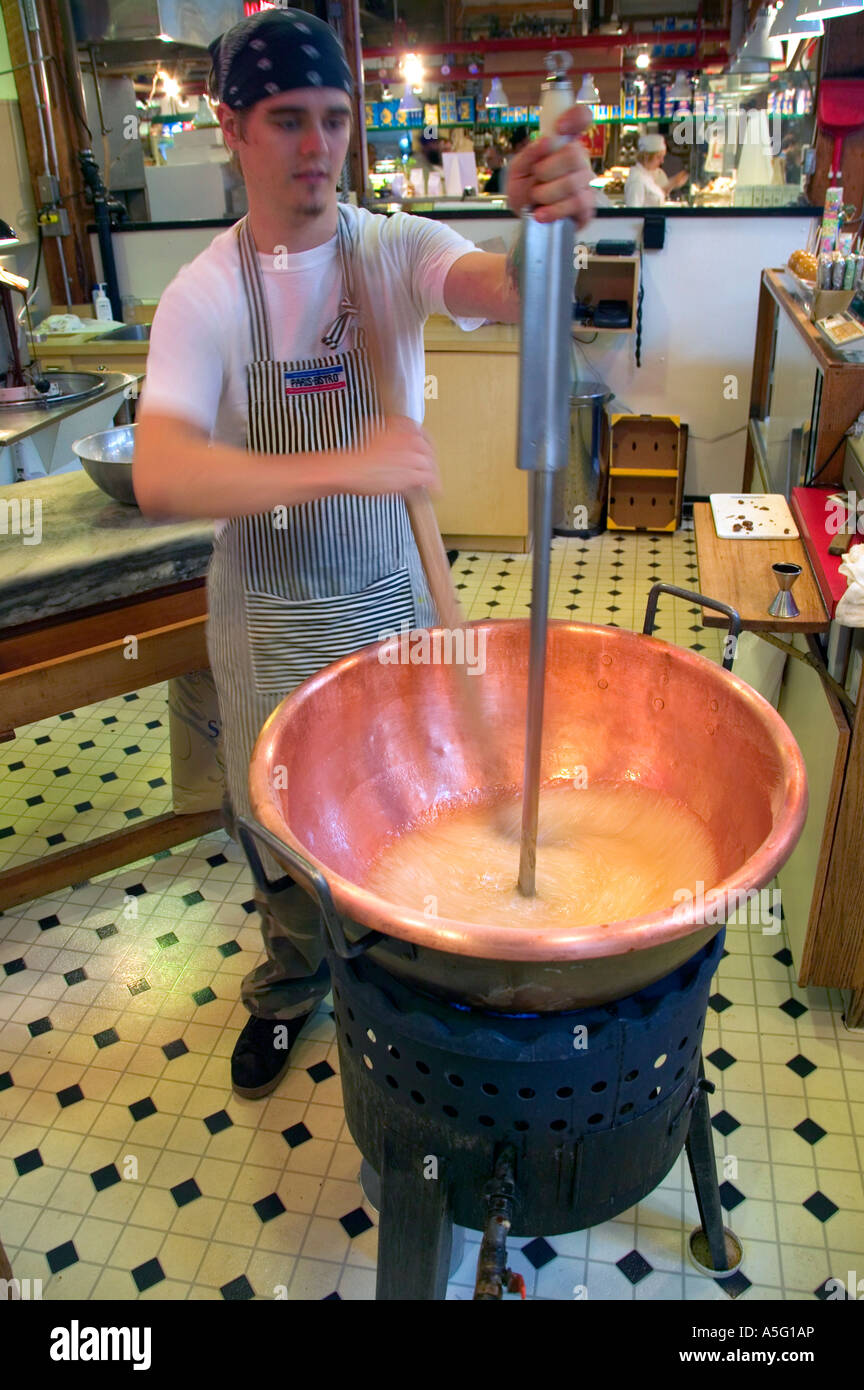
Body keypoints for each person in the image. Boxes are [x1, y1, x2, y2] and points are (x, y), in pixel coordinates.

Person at [134, 6, 594, 1100]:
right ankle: (295, 990)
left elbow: (504, 291)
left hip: (392, 595)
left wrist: (545, 227)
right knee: (286, 829)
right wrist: (348, 462)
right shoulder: (205, 293)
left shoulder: (389, 247)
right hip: (275, 612)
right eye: (288, 120)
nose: (317, 147)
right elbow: (164, 472)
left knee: (402, 800)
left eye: (334, 119)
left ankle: (397, 983)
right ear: (232, 128)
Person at [624, 132, 686, 207]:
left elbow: (652, 198)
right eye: (658, 157)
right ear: (646, 156)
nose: (662, 161)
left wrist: (672, 184)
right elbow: (634, 214)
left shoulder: (646, 175)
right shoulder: (636, 181)